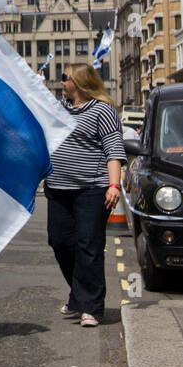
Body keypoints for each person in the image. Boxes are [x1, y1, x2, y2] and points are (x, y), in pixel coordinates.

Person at [44, 65, 124, 327]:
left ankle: (90, 306)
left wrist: (114, 185)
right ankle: (79, 294)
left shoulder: (103, 110)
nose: (61, 82)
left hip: (92, 188)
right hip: (58, 188)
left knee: (88, 246)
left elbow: (113, 149)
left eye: (65, 78)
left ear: (78, 82)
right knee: (60, 242)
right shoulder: (58, 108)